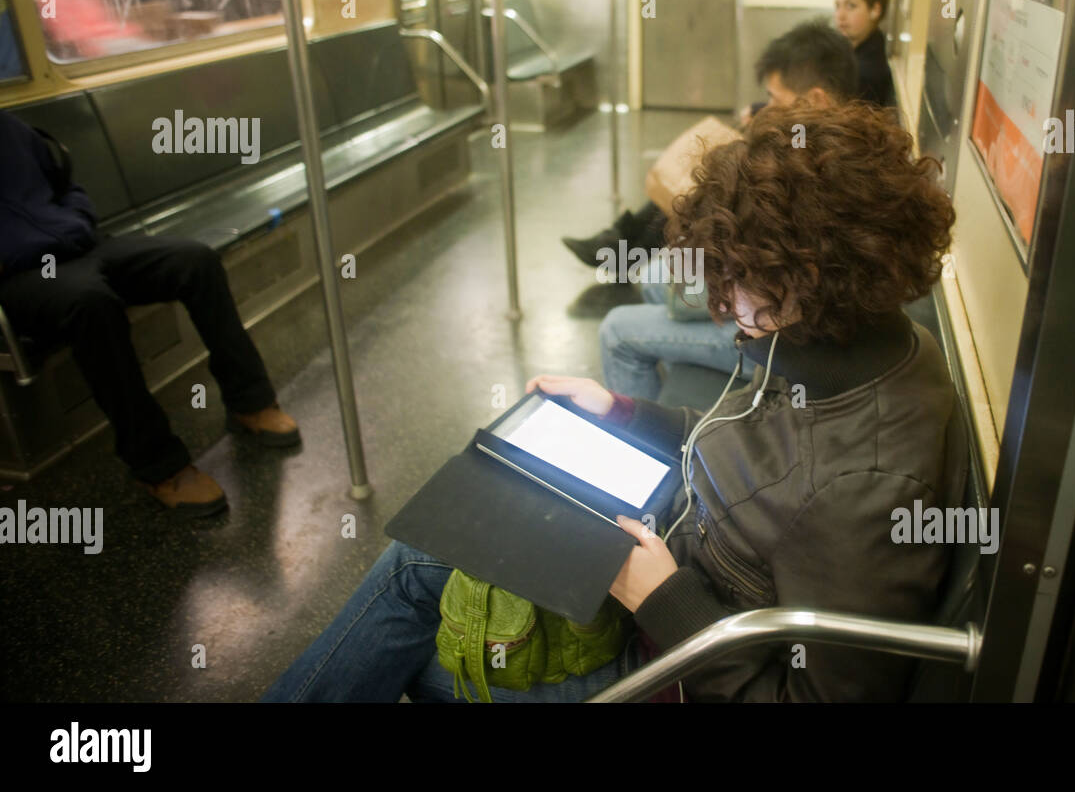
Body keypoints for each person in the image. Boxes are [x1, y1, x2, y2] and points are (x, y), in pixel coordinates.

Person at [263, 100, 962, 702]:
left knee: (426, 656)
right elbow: (756, 448)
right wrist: (622, 413)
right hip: (677, 559)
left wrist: (661, 599)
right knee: (422, 556)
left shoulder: (864, 486)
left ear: (808, 278)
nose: (723, 304)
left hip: (672, 656)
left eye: (739, 280)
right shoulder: (858, 343)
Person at [0, 111, 300, 518]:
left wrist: (76, 220)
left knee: (196, 261)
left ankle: (250, 400)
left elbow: (65, 182)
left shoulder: (11, 129)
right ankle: (158, 465)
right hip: (20, 274)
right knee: (91, 305)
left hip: (82, 245)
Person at [599, 20, 858, 400]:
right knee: (657, 276)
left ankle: (652, 440)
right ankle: (691, 386)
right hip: (791, 311)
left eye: (775, 99)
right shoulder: (834, 146)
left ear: (815, 100)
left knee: (616, 329)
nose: (769, 109)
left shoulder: (817, 172)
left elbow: (766, 281)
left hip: (792, 343)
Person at [835, 0, 899, 109]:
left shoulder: (866, 72)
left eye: (851, 6)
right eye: (837, 6)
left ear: (875, 10)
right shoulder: (862, 47)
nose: (840, 15)